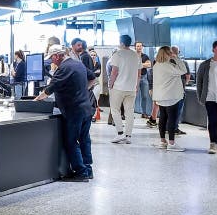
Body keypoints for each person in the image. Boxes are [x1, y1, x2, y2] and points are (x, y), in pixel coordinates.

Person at [35, 45, 96, 181]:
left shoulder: (64, 68)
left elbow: (50, 88)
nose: (52, 61)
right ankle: (88, 169)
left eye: (52, 58)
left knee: (71, 141)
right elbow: (93, 78)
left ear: (57, 56)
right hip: (86, 107)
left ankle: (81, 172)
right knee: (85, 139)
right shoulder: (78, 64)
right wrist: (82, 90)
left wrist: (36, 100)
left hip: (74, 110)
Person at [150, 46, 187, 152]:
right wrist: (176, 58)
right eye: (170, 52)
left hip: (161, 96)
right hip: (171, 96)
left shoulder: (157, 65)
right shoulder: (169, 66)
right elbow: (183, 70)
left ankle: (163, 141)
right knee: (172, 119)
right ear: (167, 53)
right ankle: (171, 143)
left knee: (163, 118)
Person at [108, 34, 141, 144]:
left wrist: (110, 84)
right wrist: (136, 85)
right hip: (131, 88)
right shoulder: (136, 55)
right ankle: (128, 136)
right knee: (130, 112)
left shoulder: (117, 54)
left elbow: (114, 72)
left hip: (118, 87)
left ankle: (120, 133)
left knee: (115, 109)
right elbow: (139, 73)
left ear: (121, 43)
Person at [171, 46, 190, 136]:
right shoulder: (183, 62)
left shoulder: (167, 62)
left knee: (169, 110)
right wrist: (183, 85)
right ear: (178, 52)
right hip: (180, 90)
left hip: (169, 90)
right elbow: (188, 76)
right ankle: (174, 127)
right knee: (178, 110)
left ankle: (169, 127)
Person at [134, 42, 153, 119]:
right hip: (134, 78)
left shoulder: (145, 56)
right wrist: (143, 65)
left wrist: (138, 65)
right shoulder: (132, 56)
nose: (139, 47)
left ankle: (144, 113)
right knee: (132, 96)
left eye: (140, 46)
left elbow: (149, 65)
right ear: (135, 47)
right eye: (137, 46)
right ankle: (130, 112)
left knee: (144, 96)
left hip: (144, 77)